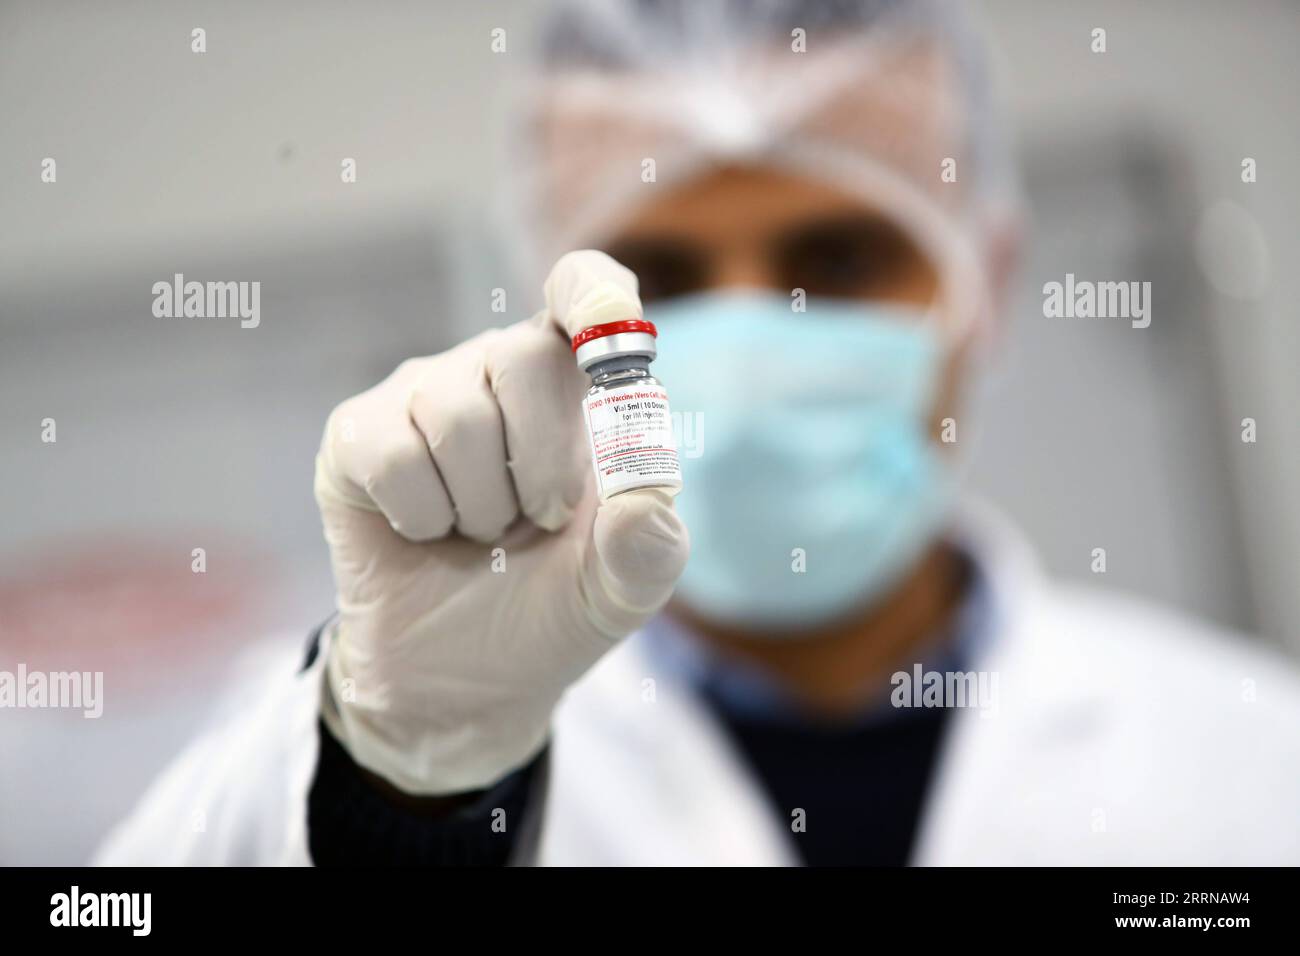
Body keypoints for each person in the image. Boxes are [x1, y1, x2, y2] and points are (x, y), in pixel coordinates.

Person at [97, 0, 1300, 866]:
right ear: (553, 307)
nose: (751, 327)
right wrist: (403, 781)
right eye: (657, 273)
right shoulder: (345, 731)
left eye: (834, 259)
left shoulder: (1256, 756)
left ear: (979, 281)